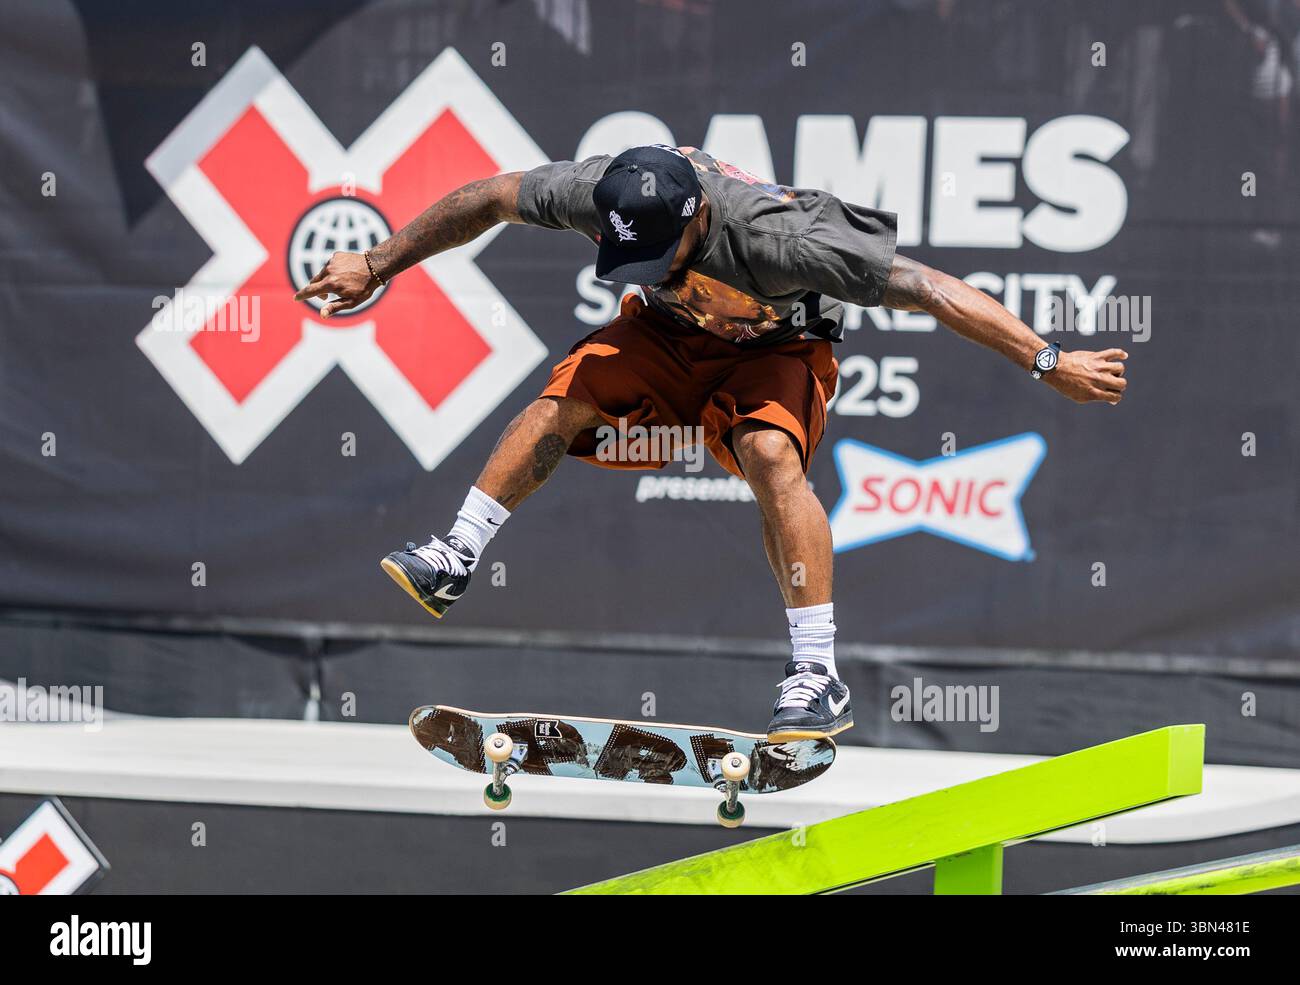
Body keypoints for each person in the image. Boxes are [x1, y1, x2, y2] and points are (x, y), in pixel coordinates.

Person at [293, 144, 1128, 741]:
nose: (642, 265)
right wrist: (379, 260)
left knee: (771, 456)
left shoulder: (782, 238)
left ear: (696, 223)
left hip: (779, 348)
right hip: (671, 336)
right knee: (569, 395)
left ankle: (816, 672)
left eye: (656, 256)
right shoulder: (603, 189)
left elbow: (931, 288)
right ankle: (458, 553)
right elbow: (485, 197)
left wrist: (1046, 358)